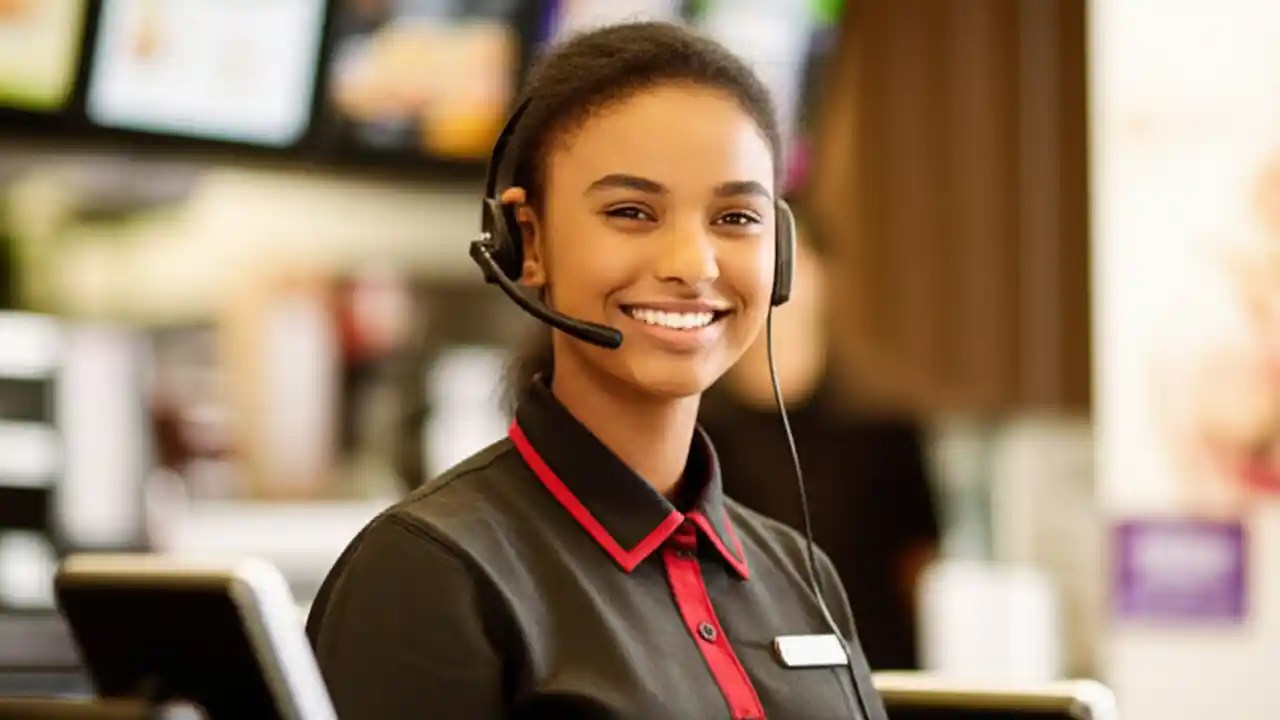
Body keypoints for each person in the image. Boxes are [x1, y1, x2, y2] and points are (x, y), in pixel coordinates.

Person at [306, 22, 886, 720]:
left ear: (781, 254)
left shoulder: (800, 575)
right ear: (528, 240)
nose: (692, 264)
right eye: (631, 211)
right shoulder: (430, 572)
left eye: (735, 217)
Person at [698, 211, 941, 671]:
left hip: (870, 679)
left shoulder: (881, 425)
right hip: (733, 681)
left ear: (821, 273)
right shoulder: (690, 430)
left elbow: (917, 572)